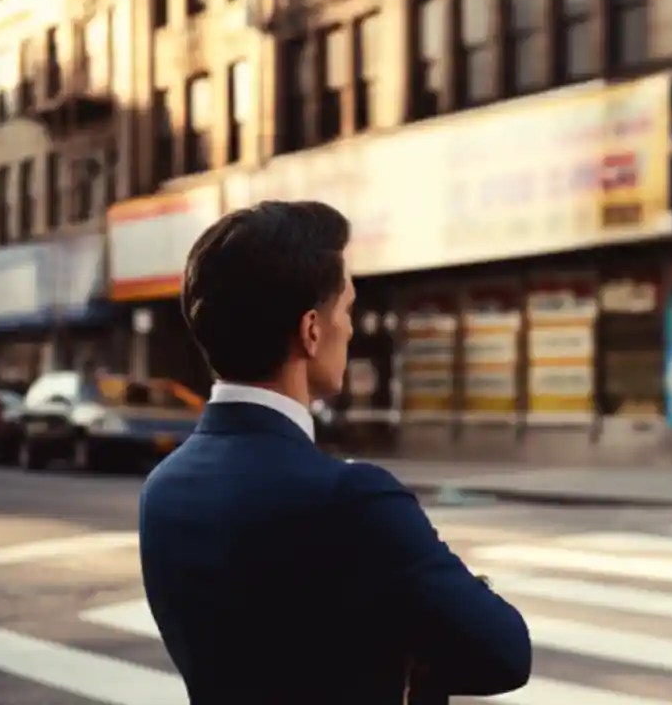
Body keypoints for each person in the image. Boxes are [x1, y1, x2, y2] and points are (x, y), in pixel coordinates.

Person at [138, 201, 531, 704]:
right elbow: (506, 652)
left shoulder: (163, 489)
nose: (350, 327)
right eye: (346, 308)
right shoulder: (351, 498)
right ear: (311, 331)